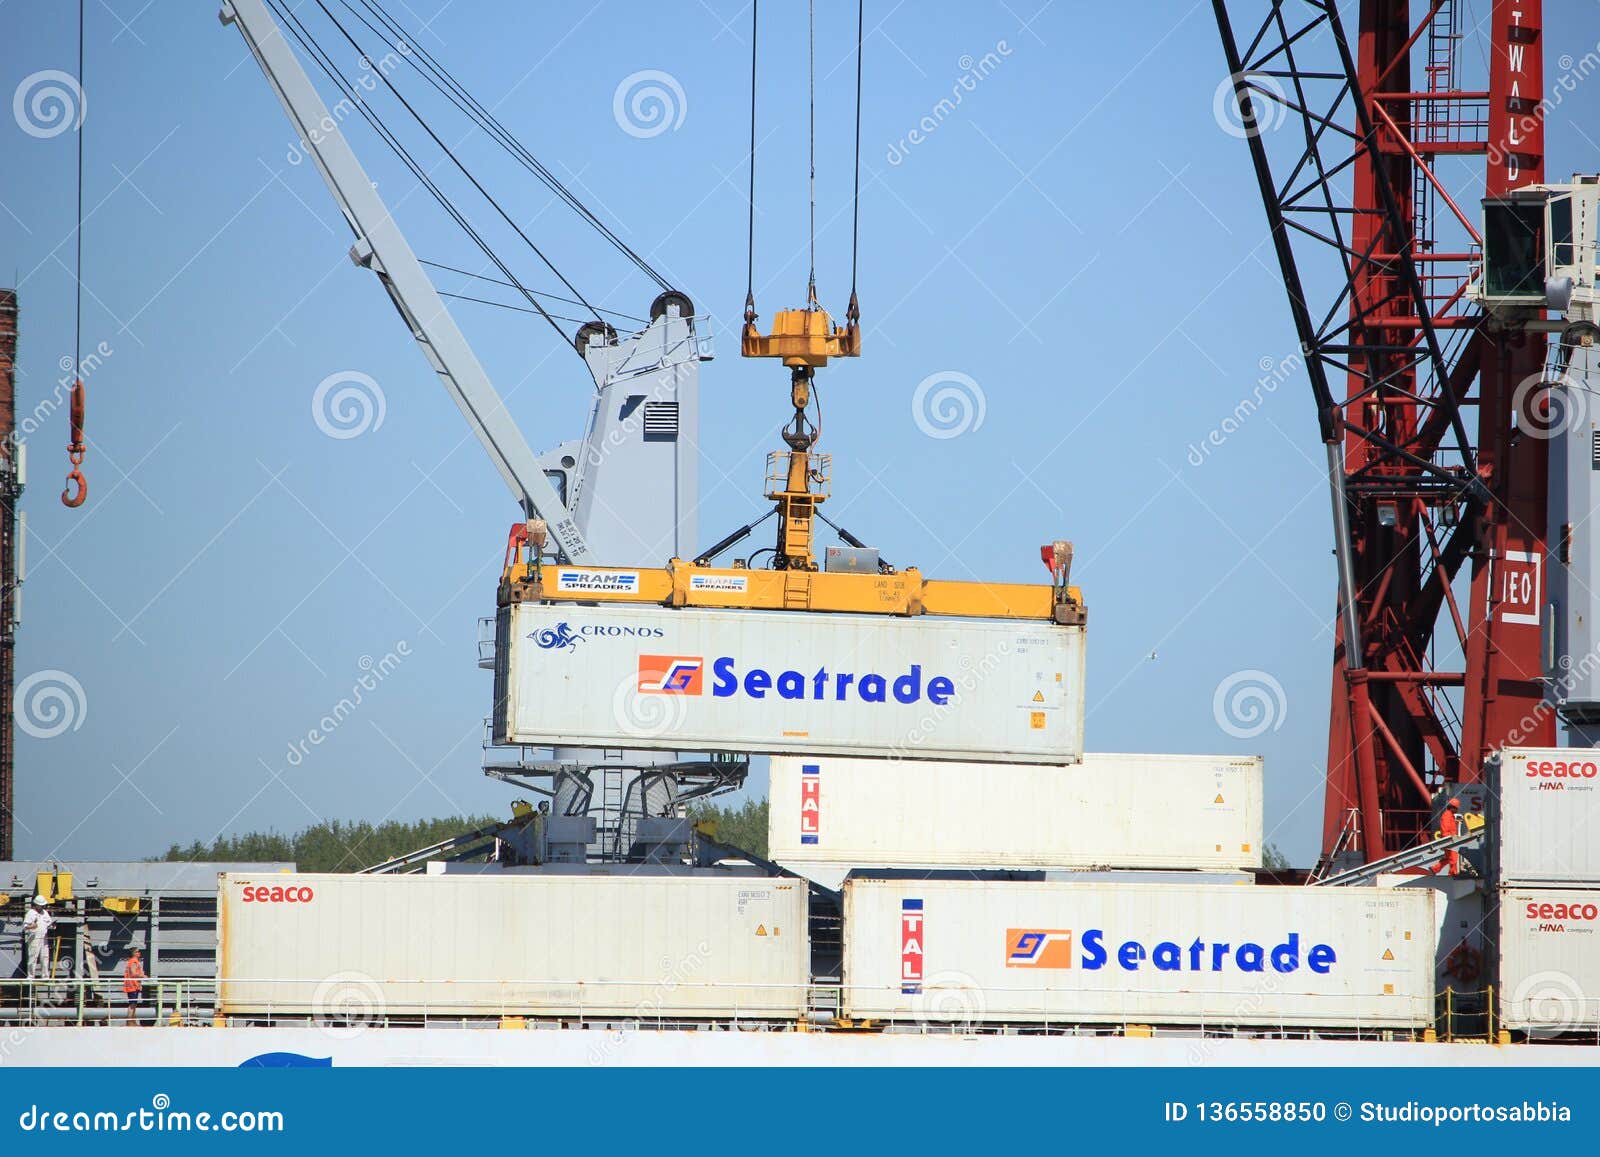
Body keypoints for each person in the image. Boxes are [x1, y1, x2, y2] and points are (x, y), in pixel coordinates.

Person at [21, 896, 53, 981]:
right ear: (36, 905)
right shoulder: (30, 913)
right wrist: (32, 926)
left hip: (43, 937)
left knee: (45, 957)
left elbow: (49, 922)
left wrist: (52, 926)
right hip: (34, 938)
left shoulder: (44, 913)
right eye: (41, 905)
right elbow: (25, 927)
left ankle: (45, 976)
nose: (42, 907)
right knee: (33, 957)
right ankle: (31, 976)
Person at [1435, 796, 1462, 875]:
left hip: (1450, 839)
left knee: (1448, 858)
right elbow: (1445, 830)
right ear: (1453, 808)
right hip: (1449, 840)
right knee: (1453, 858)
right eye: (1457, 808)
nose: (1457, 810)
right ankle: (1453, 874)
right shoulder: (1447, 815)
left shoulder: (1450, 816)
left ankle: (1435, 868)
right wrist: (1450, 839)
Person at [122, 948, 145, 1026]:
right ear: (133, 953)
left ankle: (132, 1020)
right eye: (137, 952)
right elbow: (133, 973)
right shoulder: (133, 961)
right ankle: (130, 1021)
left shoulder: (133, 961)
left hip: (134, 985)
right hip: (132, 985)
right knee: (132, 1004)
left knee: (134, 1003)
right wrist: (143, 976)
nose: (139, 953)